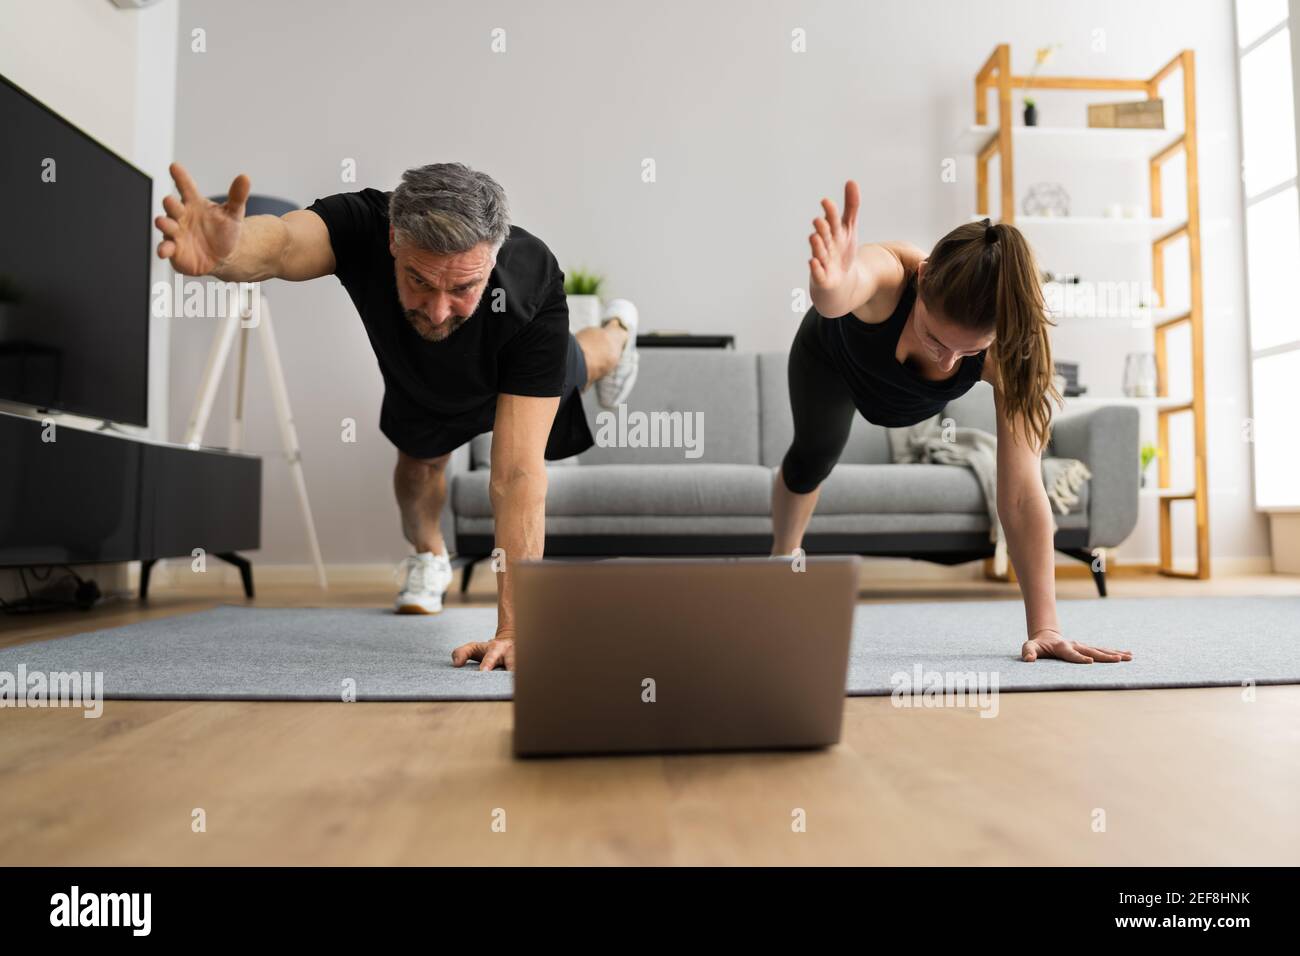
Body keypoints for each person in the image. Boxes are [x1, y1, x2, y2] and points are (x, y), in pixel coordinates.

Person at [155, 161, 639, 671]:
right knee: (416, 473)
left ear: (494, 256)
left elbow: (516, 476)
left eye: (462, 288)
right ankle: (430, 559)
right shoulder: (363, 222)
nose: (436, 311)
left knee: (592, 360)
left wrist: (516, 629)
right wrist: (231, 252)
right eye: (419, 281)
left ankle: (620, 327)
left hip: (513, 366)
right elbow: (280, 243)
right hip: (424, 382)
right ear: (393, 238)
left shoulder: (532, 278)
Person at [773, 181, 1133, 666]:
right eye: (936, 340)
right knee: (814, 455)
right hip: (830, 360)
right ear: (923, 278)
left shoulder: (1010, 354)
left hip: (903, 404)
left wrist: (1045, 627)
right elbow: (840, 293)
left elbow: (1024, 494)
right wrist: (830, 284)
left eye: (970, 352)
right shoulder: (893, 271)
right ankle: (780, 562)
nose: (948, 365)